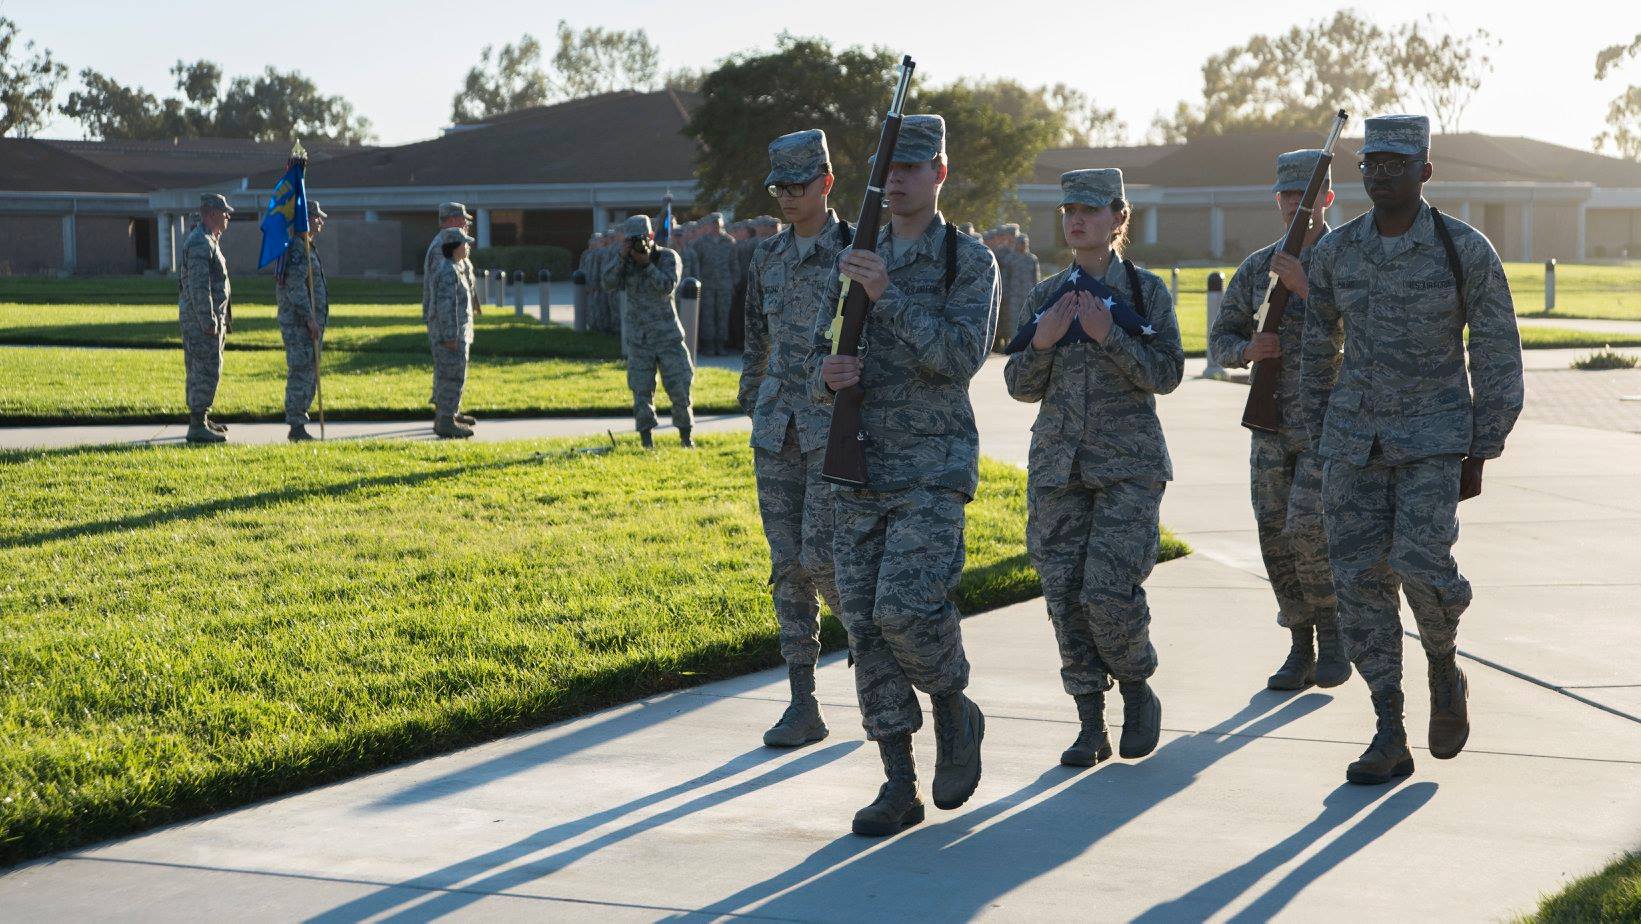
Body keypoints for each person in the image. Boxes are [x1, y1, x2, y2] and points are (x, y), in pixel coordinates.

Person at [1299, 114, 1524, 785]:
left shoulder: (1462, 249)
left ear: (1424, 171)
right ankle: (1387, 729)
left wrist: (1481, 446)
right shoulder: (1335, 253)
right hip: (1352, 445)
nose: (1380, 174)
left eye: (1396, 163)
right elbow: (1316, 349)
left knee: (1421, 565)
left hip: (1432, 440)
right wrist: (1318, 435)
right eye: (1370, 163)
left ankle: (1441, 664)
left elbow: (1494, 353)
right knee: (1359, 584)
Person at [818, 114, 998, 837]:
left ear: (940, 174)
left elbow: (958, 358)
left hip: (931, 465)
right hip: (858, 464)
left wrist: (887, 294)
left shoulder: (966, 259)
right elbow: (816, 352)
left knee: (903, 609)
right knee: (863, 628)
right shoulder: (851, 250)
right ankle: (898, 782)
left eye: (913, 166)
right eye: (888, 166)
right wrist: (824, 376)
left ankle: (953, 707)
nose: (896, 179)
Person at [1002, 168, 1184, 768]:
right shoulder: (1045, 295)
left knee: (1108, 591)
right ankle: (1089, 722)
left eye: (1090, 208)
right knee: (1064, 595)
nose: (1076, 218)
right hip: (1058, 467)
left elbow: (1166, 374)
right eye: (1068, 209)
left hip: (1129, 465)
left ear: (1117, 217)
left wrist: (1111, 337)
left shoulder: (1146, 293)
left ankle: (1136, 689)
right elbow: (1018, 385)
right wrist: (1046, 341)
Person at [1208, 149, 1351, 692]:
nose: (1297, 204)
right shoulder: (1256, 267)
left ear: (1327, 199)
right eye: (1288, 196)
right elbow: (1220, 341)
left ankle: (1334, 631)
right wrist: (1249, 351)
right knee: (1273, 535)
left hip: (1326, 424)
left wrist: (1306, 290)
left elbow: (1366, 331)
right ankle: (1300, 644)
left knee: (1309, 527)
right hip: (1270, 424)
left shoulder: (1345, 260)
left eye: (1307, 195)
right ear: (1277, 202)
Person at [741, 129, 850, 749]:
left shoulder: (857, 252)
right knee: (787, 567)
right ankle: (802, 701)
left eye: (798, 185)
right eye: (779, 186)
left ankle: (877, 665)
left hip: (832, 429)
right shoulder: (768, 257)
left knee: (826, 559)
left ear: (827, 184)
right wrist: (751, 401)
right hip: (776, 428)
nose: (787, 196)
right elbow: (757, 339)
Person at [603, 214, 694, 448]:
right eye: (632, 240)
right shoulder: (625, 262)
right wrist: (623, 257)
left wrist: (647, 265)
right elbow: (607, 284)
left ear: (651, 236)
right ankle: (646, 440)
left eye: (641, 238)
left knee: (680, 388)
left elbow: (667, 287)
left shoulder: (667, 257)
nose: (637, 244)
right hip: (639, 338)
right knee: (641, 391)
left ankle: (686, 436)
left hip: (667, 336)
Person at [178, 193, 234, 444]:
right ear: (211, 213)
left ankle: (202, 418)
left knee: (208, 369)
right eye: (224, 212)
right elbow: (199, 288)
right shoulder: (200, 242)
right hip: (203, 322)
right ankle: (197, 426)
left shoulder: (209, 240)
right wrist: (208, 320)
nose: (228, 216)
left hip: (210, 320)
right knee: (203, 370)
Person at [276, 200, 330, 442]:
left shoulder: (306, 246)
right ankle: (296, 425)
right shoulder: (298, 249)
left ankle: (300, 421)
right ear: (305, 219)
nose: (321, 220)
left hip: (310, 324)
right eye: (316, 217)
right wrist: (309, 318)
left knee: (309, 372)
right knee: (301, 371)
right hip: (300, 325)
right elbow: (295, 287)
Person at [428, 227, 479, 439]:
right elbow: (446, 307)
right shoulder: (448, 271)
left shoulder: (454, 267)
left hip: (457, 333)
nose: (467, 246)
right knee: (451, 376)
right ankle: (446, 421)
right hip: (451, 335)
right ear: (455, 247)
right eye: (464, 243)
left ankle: (448, 415)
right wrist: (450, 336)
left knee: (453, 375)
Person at [695, 212, 738, 355]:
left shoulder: (729, 241)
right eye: (713, 224)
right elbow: (697, 265)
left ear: (722, 225)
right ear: (709, 226)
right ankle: (709, 346)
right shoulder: (701, 243)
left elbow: (734, 264)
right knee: (708, 316)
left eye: (718, 224)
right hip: (706, 285)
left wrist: (733, 283)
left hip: (724, 285)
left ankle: (720, 345)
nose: (715, 227)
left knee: (722, 316)